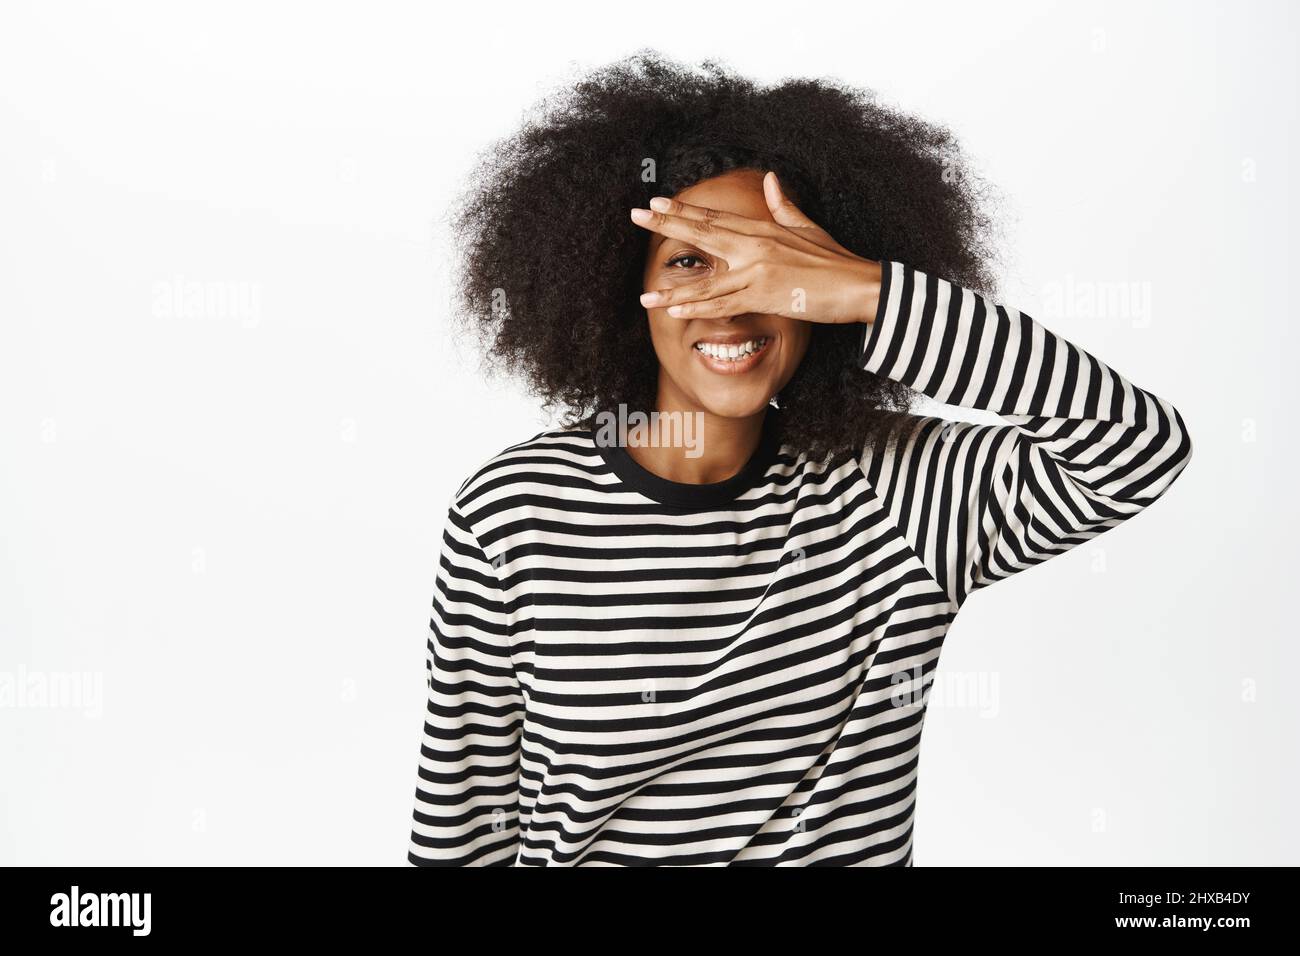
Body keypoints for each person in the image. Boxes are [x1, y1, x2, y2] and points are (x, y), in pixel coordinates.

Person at [406, 53, 1192, 866]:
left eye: (774, 265)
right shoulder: (515, 513)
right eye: (689, 260)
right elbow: (464, 823)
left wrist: (871, 293)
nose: (736, 299)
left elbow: (1136, 447)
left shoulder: (896, 493)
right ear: (617, 289)